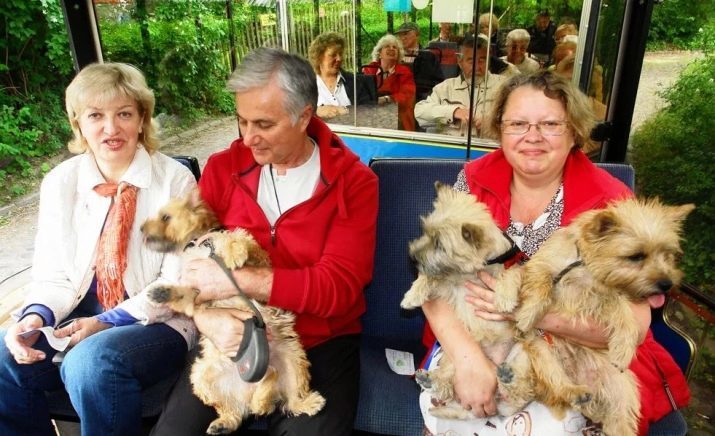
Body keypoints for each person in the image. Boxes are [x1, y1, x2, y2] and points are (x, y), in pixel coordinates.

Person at [418, 71, 690, 436]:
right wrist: (467, 360)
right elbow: (432, 279)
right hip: (475, 337)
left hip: (573, 353)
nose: (532, 136)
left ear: (574, 131)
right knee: (455, 408)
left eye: (549, 124)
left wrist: (532, 316)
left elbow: (634, 327)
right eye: (518, 123)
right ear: (499, 128)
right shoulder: (474, 179)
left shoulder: (610, 203)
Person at [150, 47, 378, 436]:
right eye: (241, 121)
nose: (248, 137)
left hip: (318, 341)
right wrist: (207, 318)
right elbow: (189, 253)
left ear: (304, 115)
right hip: (230, 334)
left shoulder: (354, 183)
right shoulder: (224, 167)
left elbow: (338, 287)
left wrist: (240, 281)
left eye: (264, 124)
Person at [0, 62, 197, 435]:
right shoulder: (60, 181)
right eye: (96, 116)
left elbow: (175, 285)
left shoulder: (174, 180)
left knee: (90, 363)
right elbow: (53, 273)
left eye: (124, 113)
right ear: (79, 124)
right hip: (77, 312)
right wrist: (35, 317)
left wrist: (105, 322)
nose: (111, 128)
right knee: (4, 354)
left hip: (155, 321)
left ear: (142, 119)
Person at [415, 35, 505, 136]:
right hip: (453, 149)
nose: (477, 67)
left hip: (489, 147)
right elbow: (420, 112)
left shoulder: (503, 86)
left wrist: (492, 120)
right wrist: (453, 112)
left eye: (481, 61)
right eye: (471, 61)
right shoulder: (446, 88)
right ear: (460, 61)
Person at [308, 32, 373, 120]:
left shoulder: (354, 81)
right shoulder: (307, 85)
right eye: (333, 55)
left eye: (340, 54)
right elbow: (297, 115)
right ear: (319, 57)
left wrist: (346, 110)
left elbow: (370, 109)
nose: (339, 59)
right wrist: (316, 111)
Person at [362, 34, 417, 131]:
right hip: (371, 114)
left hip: (397, 115)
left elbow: (408, 95)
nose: (392, 49)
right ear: (379, 53)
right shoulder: (369, 69)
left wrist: (387, 99)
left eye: (395, 47)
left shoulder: (405, 72)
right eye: (387, 46)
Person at [394, 22, 444, 103]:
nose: (402, 38)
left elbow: (439, 83)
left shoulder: (429, 57)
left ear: (417, 34)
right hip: (397, 100)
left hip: (421, 101)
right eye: (400, 35)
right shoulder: (395, 57)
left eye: (406, 34)